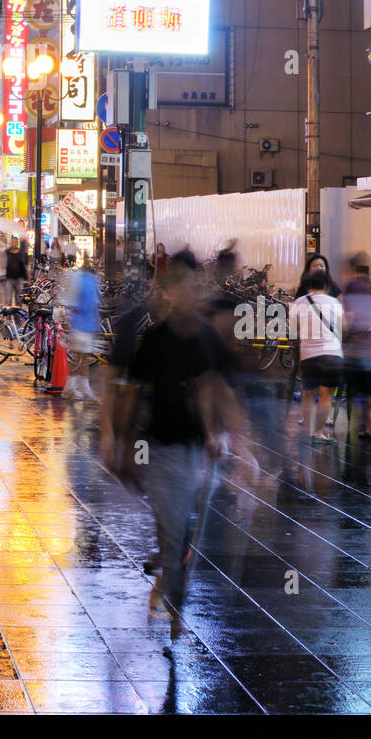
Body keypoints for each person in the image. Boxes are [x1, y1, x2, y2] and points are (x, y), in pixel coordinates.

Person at [100, 250, 244, 631]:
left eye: (190, 285)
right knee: (170, 518)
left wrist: (224, 435)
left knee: (178, 521)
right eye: (176, 284)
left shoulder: (204, 335)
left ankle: (171, 583)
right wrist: (118, 439)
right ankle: (170, 577)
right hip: (156, 443)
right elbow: (128, 391)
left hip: (193, 446)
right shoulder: (149, 334)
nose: (184, 293)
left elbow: (212, 387)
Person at [288, 269, 344, 441]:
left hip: (309, 354)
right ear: (327, 285)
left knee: (309, 393)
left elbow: (292, 330)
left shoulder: (299, 303)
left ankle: (307, 431)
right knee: (327, 395)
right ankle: (318, 432)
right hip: (333, 354)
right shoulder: (334, 302)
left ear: (309, 285)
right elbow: (342, 329)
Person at [341, 253, 371, 442]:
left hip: (356, 345)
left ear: (351, 268)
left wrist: (345, 334)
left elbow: (348, 315)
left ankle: (355, 424)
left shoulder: (351, 286)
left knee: (353, 388)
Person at [61, 260, 101, 402]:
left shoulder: (79, 280)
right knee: (80, 359)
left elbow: (71, 303)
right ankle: (72, 388)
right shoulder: (90, 282)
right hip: (83, 326)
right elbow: (94, 305)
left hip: (80, 325)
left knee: (82, 358)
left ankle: (81, 388)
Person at [3, 236, 28, 306]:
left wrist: (29, 278)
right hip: (9, 278)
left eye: (15, 242)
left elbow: (25, 266)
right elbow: (2, 264)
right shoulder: (6, 252)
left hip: (19, 278)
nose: (13, 243)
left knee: (19, 299)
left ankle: (18, 315)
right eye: (12, 242)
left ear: (17, 243)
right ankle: (8, 315)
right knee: (8, 299)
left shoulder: (22, 253)